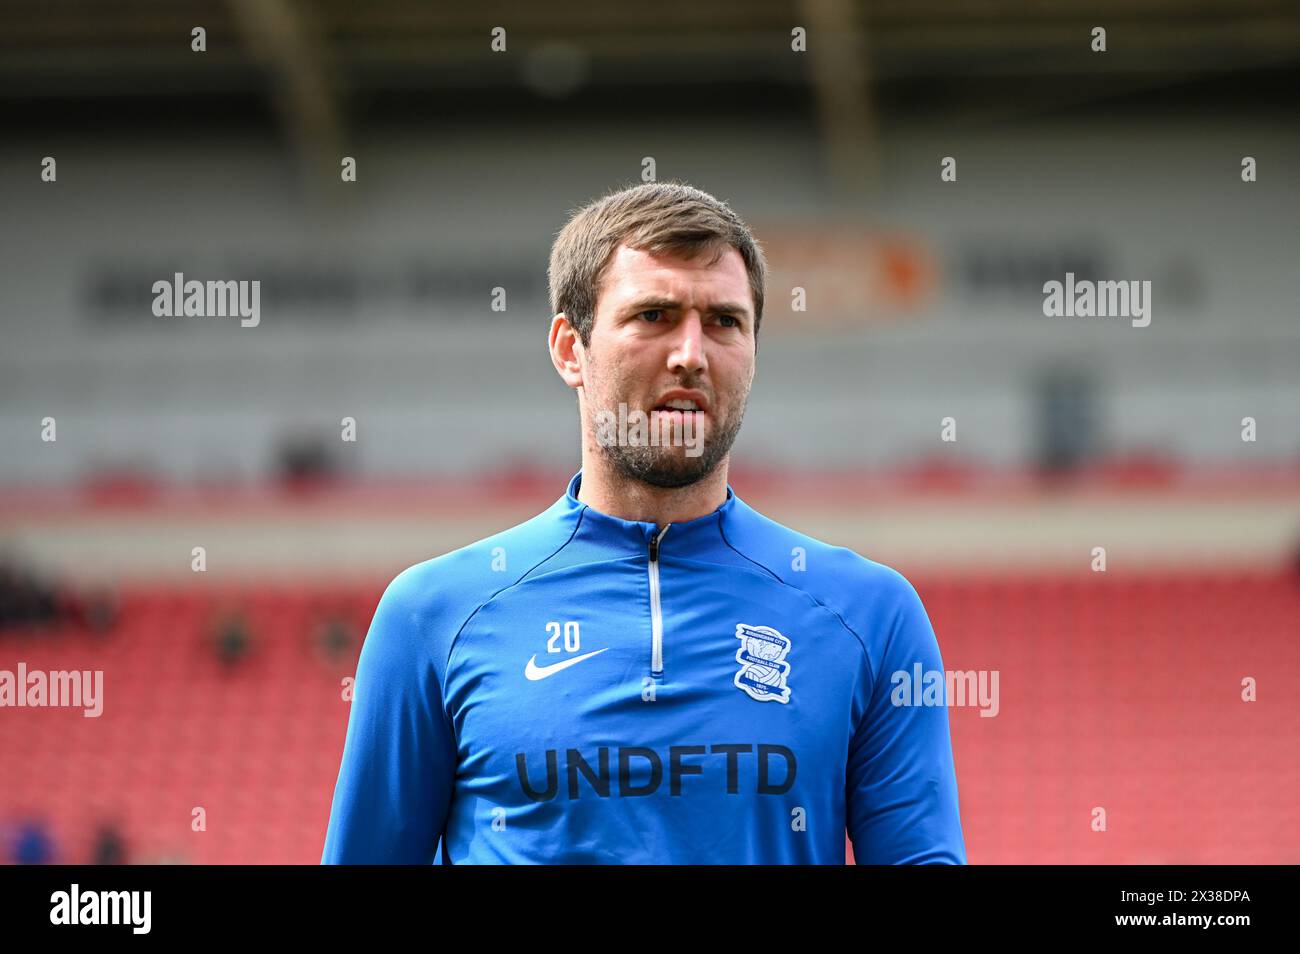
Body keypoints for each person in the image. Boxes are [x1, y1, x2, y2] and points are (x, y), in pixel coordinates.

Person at [321, 181, 966, 864]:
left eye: (724, 322)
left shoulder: (869, 614)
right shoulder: (432, 615)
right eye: (654, 315)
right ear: (571, 350)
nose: (691, 352)